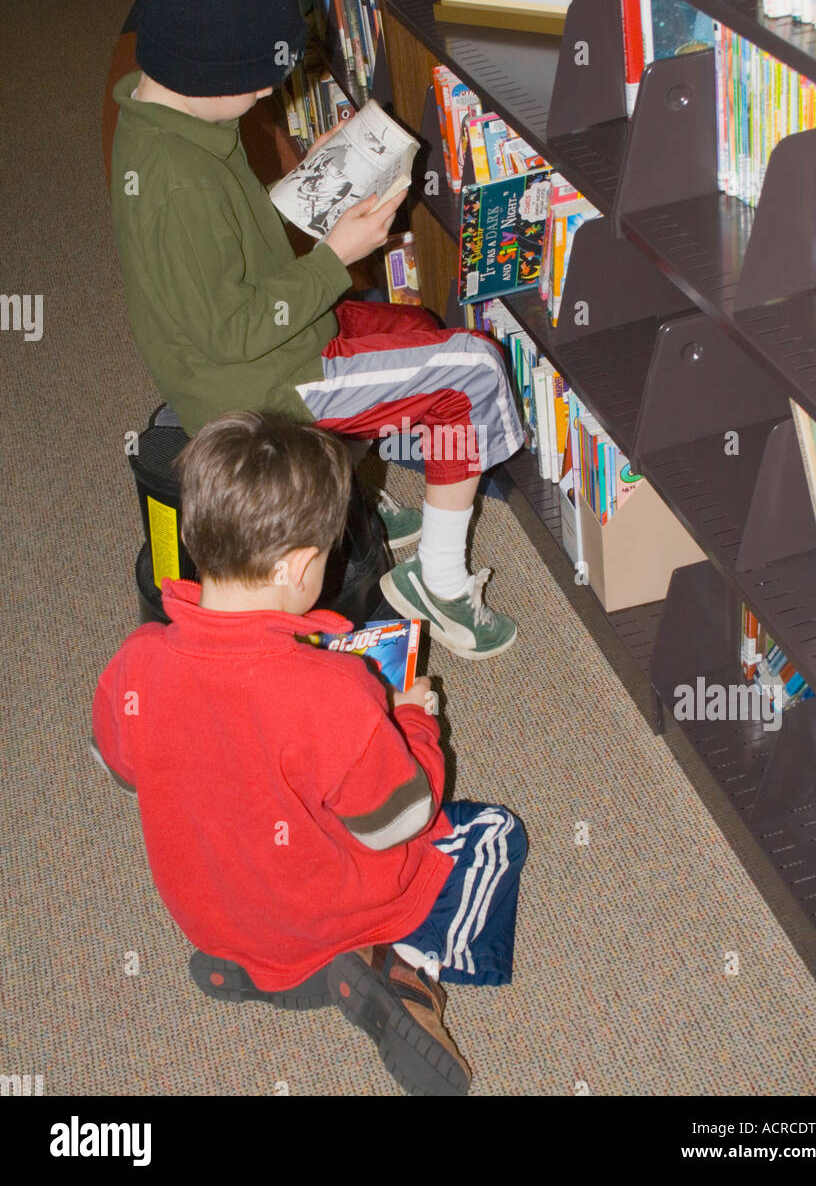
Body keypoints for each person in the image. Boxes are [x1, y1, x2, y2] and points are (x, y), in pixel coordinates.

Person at [111, 0, 525, 659]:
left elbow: (226, 244)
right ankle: (439, 582)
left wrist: (317, 177)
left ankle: (344, 495)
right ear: (205, 69)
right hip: (261, 386)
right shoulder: (177, 185)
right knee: (473, 372)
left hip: (269, 344)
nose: (268, 90)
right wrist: (335, 257)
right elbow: (232, 328)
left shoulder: (168, 120)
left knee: (414, 330)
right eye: (256, 78)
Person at [91, 412, 527, 1097]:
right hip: (323, 908)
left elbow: (120, 764)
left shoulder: (136, 661)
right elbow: (399, 819)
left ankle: (253, 962)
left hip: (213, 913)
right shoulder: (331, 690)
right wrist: (414, 722)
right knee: (495, 835)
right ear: (298, 568)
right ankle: (405, 966)